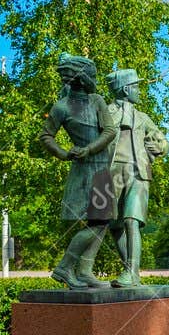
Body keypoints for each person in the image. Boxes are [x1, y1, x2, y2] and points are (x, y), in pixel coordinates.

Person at [40, 55, 120, 289]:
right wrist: (64, 154)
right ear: (85, 78)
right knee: (98, 221)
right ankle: (65, 268)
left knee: (101, 221)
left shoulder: (95, 101)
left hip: (98, 166)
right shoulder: (64, 106)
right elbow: (46, 136)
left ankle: (84, 270)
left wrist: (88, 149)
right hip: (87, 170)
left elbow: (108, 131)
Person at [102, 68, 168, 287]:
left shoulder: (142, 118)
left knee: (132, 220)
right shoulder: (105, 113)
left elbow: (163, 142)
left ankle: (132, 271)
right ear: (126, 89)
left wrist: (160, 146)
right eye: (137, 87)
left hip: (138, 172)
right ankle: (130, 273)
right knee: (114, 225)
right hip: (110, 173)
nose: (140, 91)